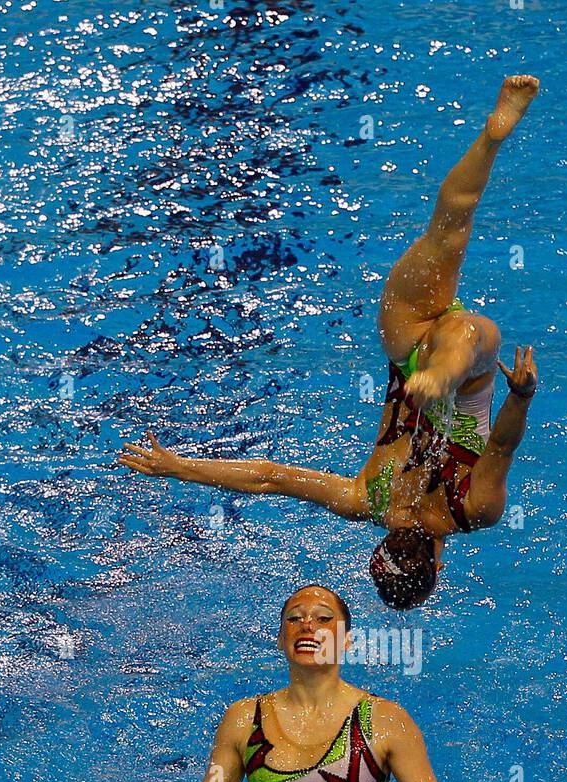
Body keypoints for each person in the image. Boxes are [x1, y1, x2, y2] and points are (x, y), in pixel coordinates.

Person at [119, 76, 541, 609]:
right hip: (406, 347)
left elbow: (502, 444)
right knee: (445, 230)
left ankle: (493, 140)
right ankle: (490, 139)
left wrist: (521, 396)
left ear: (437, 563)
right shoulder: (364, 499)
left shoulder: (470, 511)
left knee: (461, 310)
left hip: (469, 365)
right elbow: (268, 478)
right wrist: (179, 467)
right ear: (380, 550)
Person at [145, 584, 545, 782]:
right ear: (280, 638)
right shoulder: (243, 719)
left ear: (347, 641)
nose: (307, 625)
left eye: (323, 618)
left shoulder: (387, 721)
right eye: (294, 618)